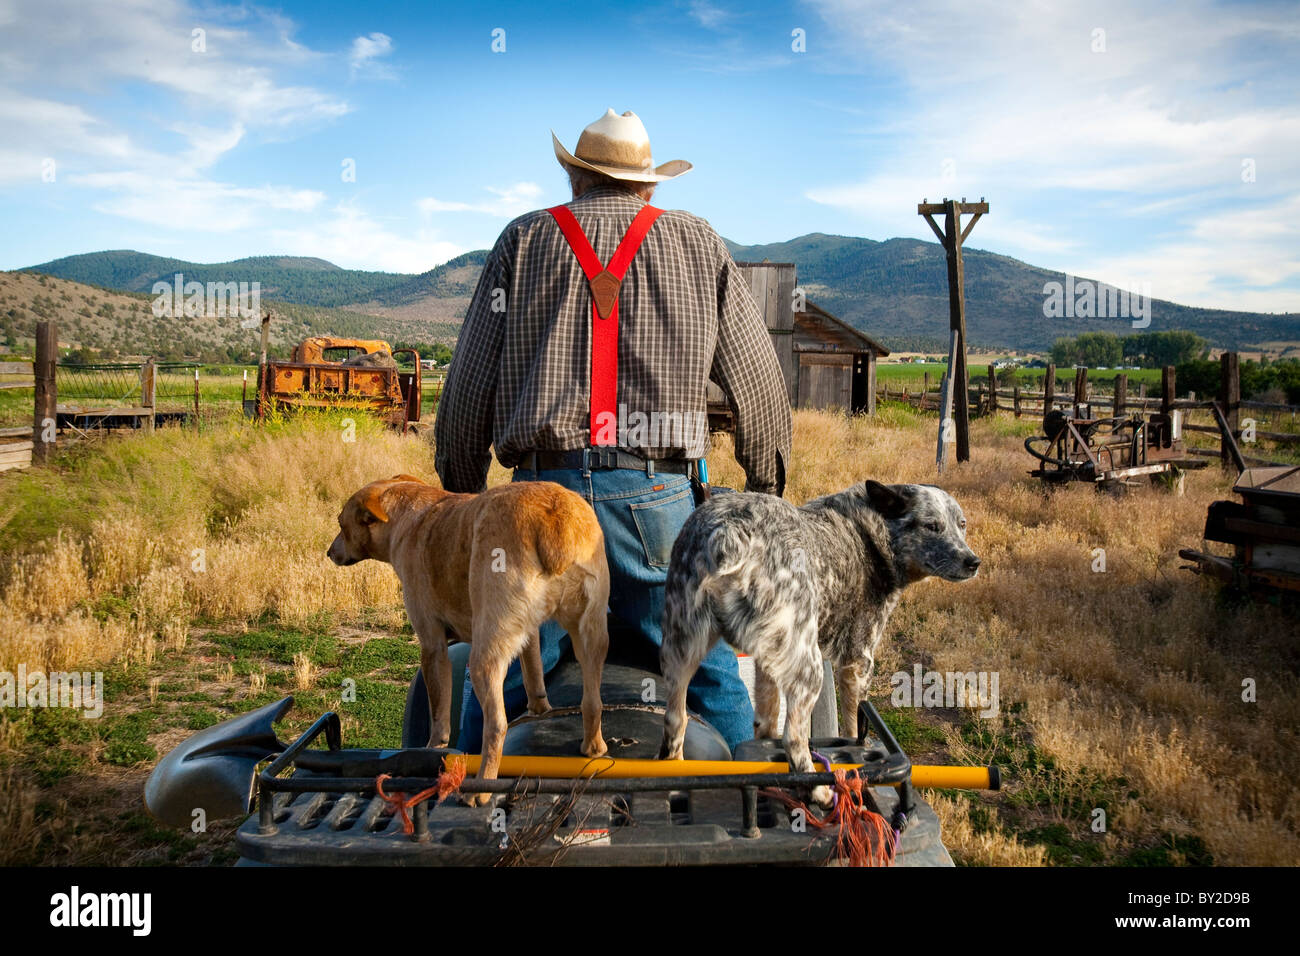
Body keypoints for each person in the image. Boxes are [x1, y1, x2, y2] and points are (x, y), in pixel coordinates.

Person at [434, 108, 791, 753]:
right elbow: (760, 385)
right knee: (708, 672)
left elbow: (466, 385)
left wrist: (464, 491)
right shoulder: (700, 244)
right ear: (650, 187)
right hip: (658, 502)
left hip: (538, 500)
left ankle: (462, 803)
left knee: (499, 673)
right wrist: (765, 487)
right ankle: (752, 802)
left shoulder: (522, 240)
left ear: (576, 180)